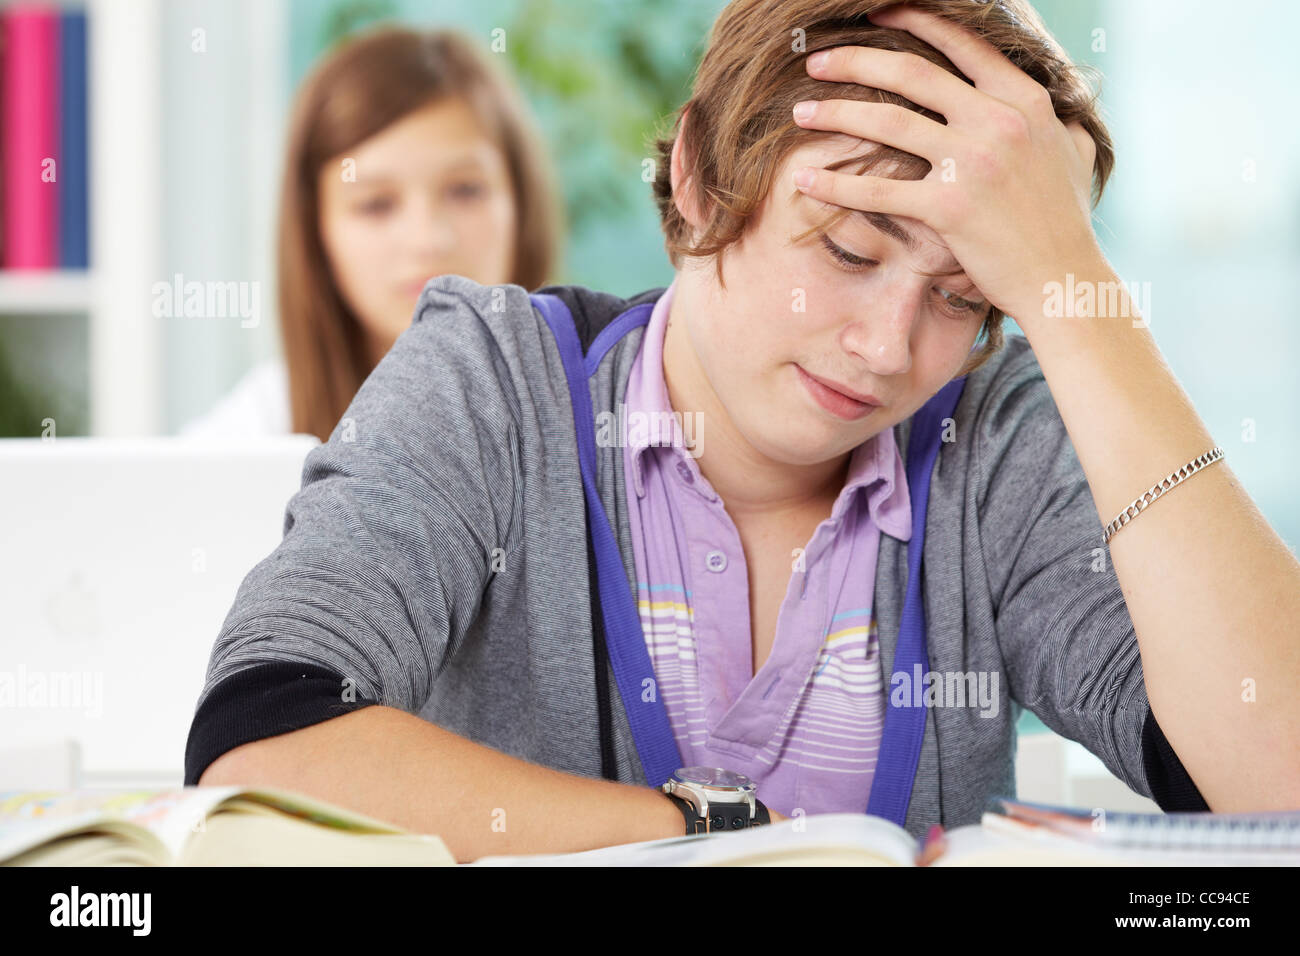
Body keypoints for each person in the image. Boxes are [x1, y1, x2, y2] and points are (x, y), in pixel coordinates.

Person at [185, 0, 1300, 863]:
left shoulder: (989, 441)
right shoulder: (493, 379)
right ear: (702, 179)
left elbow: (1276, 774)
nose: (885, 345)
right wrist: (706, 833)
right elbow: (260, 751)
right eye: (849, 251)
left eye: (962, 295)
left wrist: (1068, 287)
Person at [180, 26, 561, 442]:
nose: (428, 239)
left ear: (521, 203)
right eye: (376, 204)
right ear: (315, 229)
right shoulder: (252, 435)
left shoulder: (605, 413)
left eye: (466, 190)